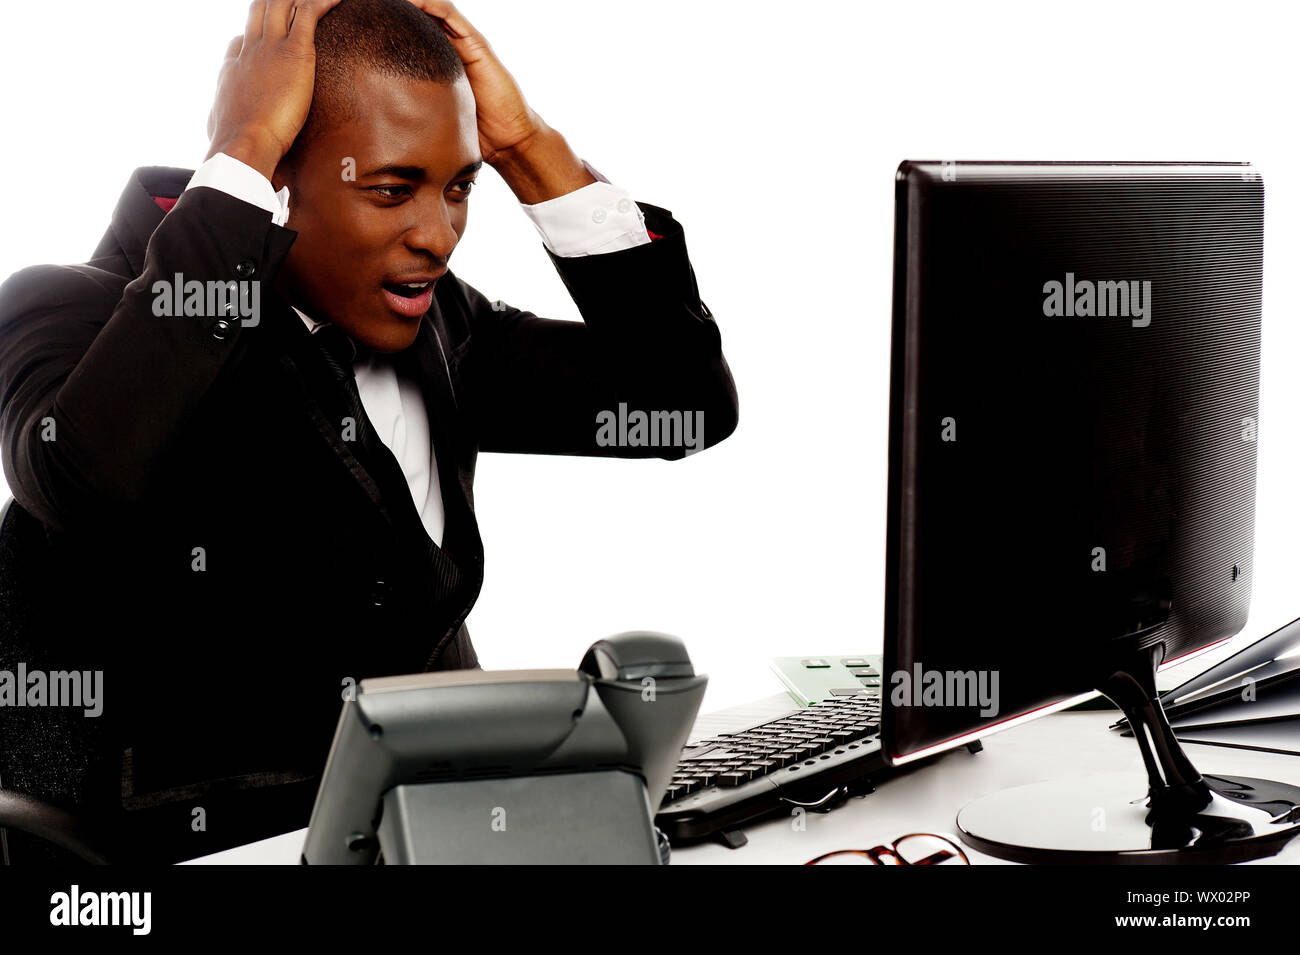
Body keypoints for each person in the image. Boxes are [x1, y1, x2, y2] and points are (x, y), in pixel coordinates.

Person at [0, 0, 737, 864]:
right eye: (391, 189)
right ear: (277, 178)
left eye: (458, 187)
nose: (438, 236)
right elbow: (87, 478)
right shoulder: (68, 314)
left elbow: (681, 400)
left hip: (444, 832)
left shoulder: (444, 331)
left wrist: (529, 147)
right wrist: (238, 152)